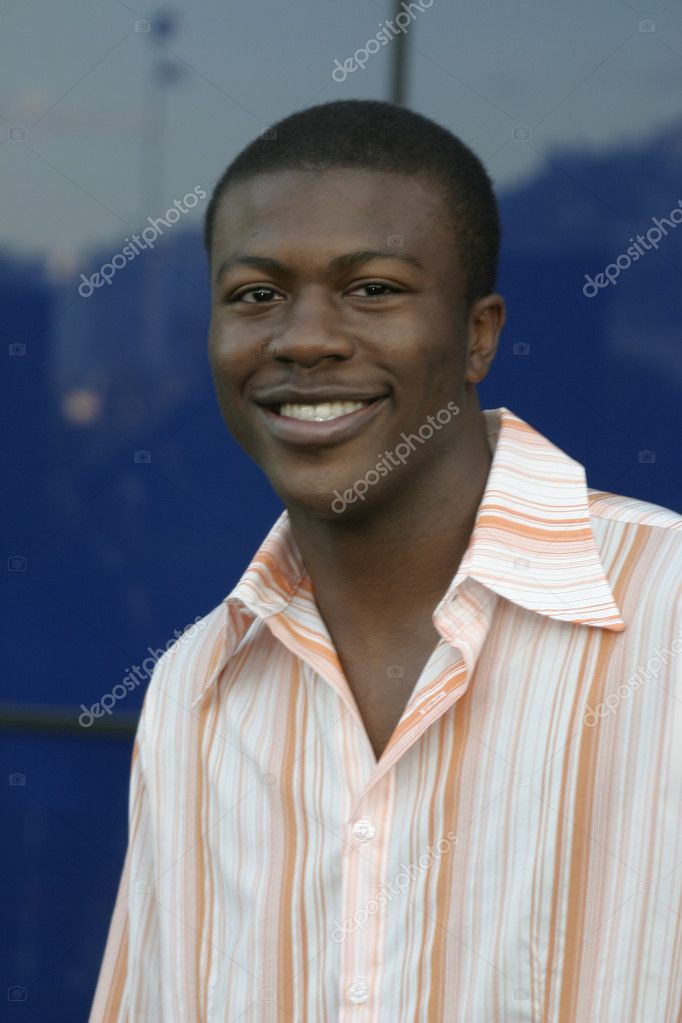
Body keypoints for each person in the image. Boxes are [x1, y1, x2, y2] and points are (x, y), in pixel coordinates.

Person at [90, 99, 682, 1022]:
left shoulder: (669, 616)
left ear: (479, 335)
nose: (305, 338)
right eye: (255, 294)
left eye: (372, 288)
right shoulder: (196, 690)